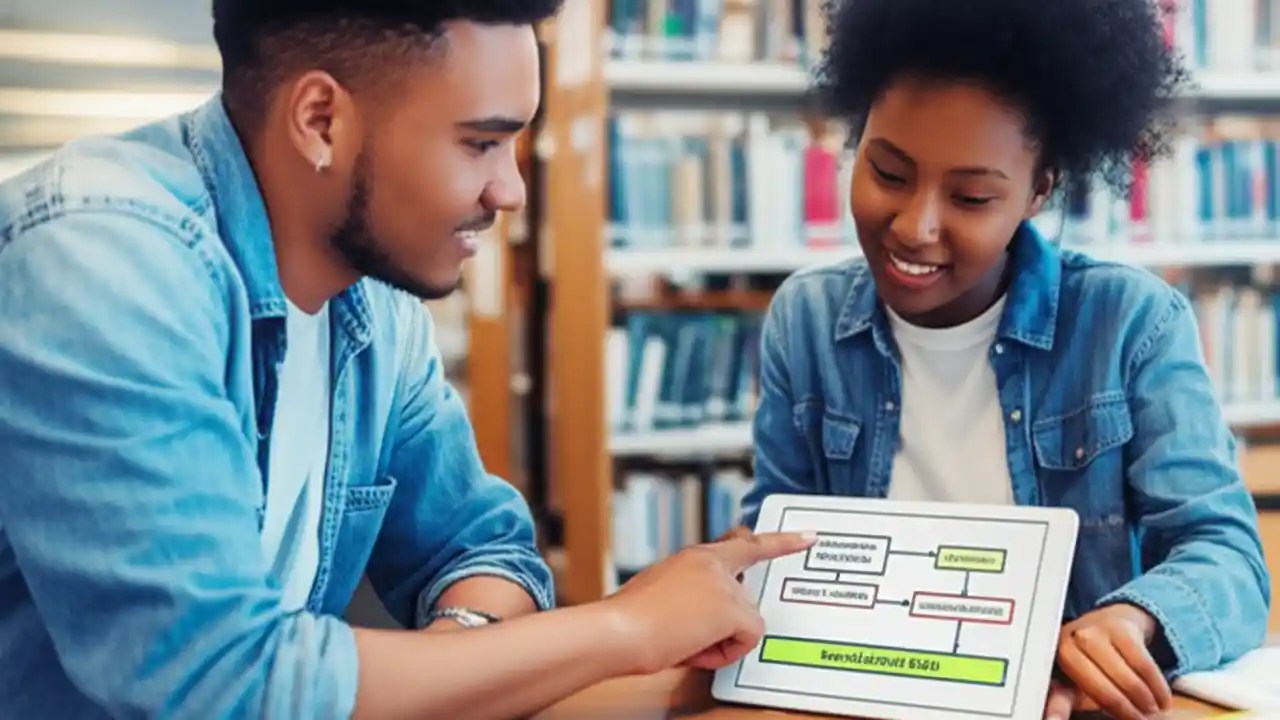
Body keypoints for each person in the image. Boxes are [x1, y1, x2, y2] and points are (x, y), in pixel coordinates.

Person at [0, 2, 818, 718]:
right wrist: (627, 627)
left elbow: (482, 550)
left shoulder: (376, 299)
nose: (511, 192)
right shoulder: (101, 259)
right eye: (480, 143)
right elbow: (218, 684)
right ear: (321, 120)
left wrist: (456, 652)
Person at [739, 1, 1272, 719]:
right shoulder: (804, 320)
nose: (915, 227)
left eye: (971, 196)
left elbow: (1226, 556)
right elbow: (773, 538)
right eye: (889, 173)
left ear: (1039, 189)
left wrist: (1133, 620)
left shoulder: (1130, 324)